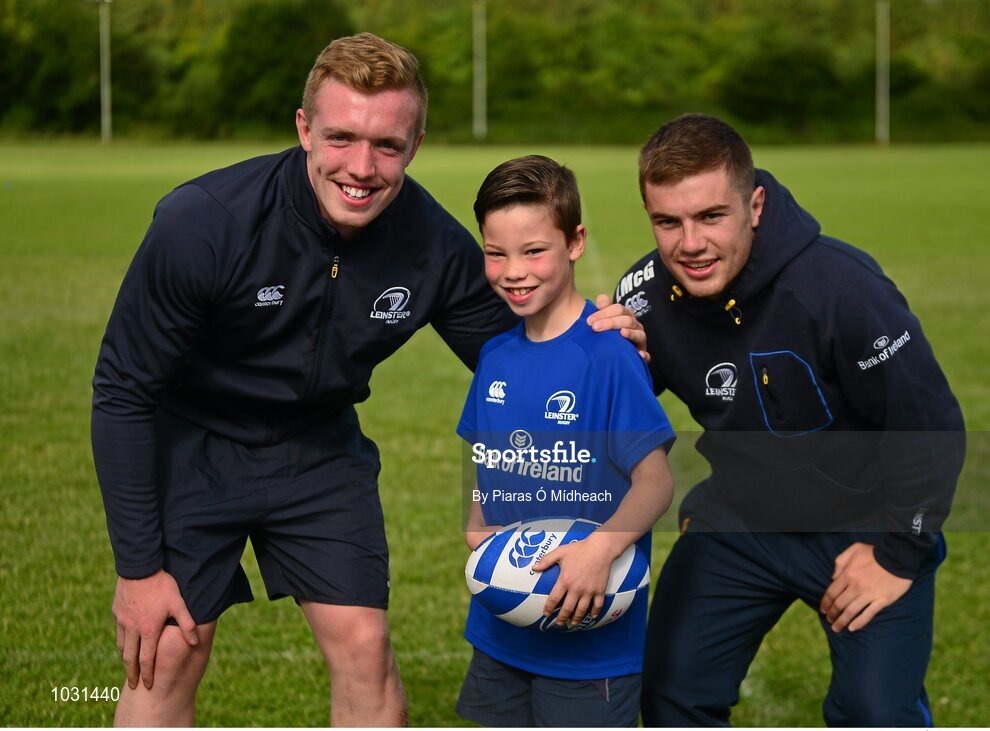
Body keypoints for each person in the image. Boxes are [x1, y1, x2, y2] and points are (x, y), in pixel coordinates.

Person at [91, 34, 642, 726]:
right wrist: (138, 572)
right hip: (193, 445)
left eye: (387, 145)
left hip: (318, 452)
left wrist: (604, 343)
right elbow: (123, 391)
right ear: (304, 130)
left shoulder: (433, 245)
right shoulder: (204, 224)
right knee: (168, 648)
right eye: (342, 137)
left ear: (414, 145)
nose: (362, 167)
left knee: (365, 645)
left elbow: (520, 353)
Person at [613, 114, 965, 727]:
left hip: (866, 526)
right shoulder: (646, 293)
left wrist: (898, 553)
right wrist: (608, 357)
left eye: (711, 216)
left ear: (755, 204)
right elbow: (620, 408)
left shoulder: (842, 288)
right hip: (741, 519)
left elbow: (928, 425)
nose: (689, 244)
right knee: (669, 692)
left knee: (875, 712)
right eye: (667, 221)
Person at [455, 155, 676, 727]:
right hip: (501, 627)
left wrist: (600, 551)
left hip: (592, 640)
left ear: (575, 242)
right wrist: (477, 524)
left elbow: (655, 482)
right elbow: (488, 461)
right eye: (495, 253)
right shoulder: (494, 357)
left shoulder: (608, 355)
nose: (513, 271)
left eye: (534, 251)